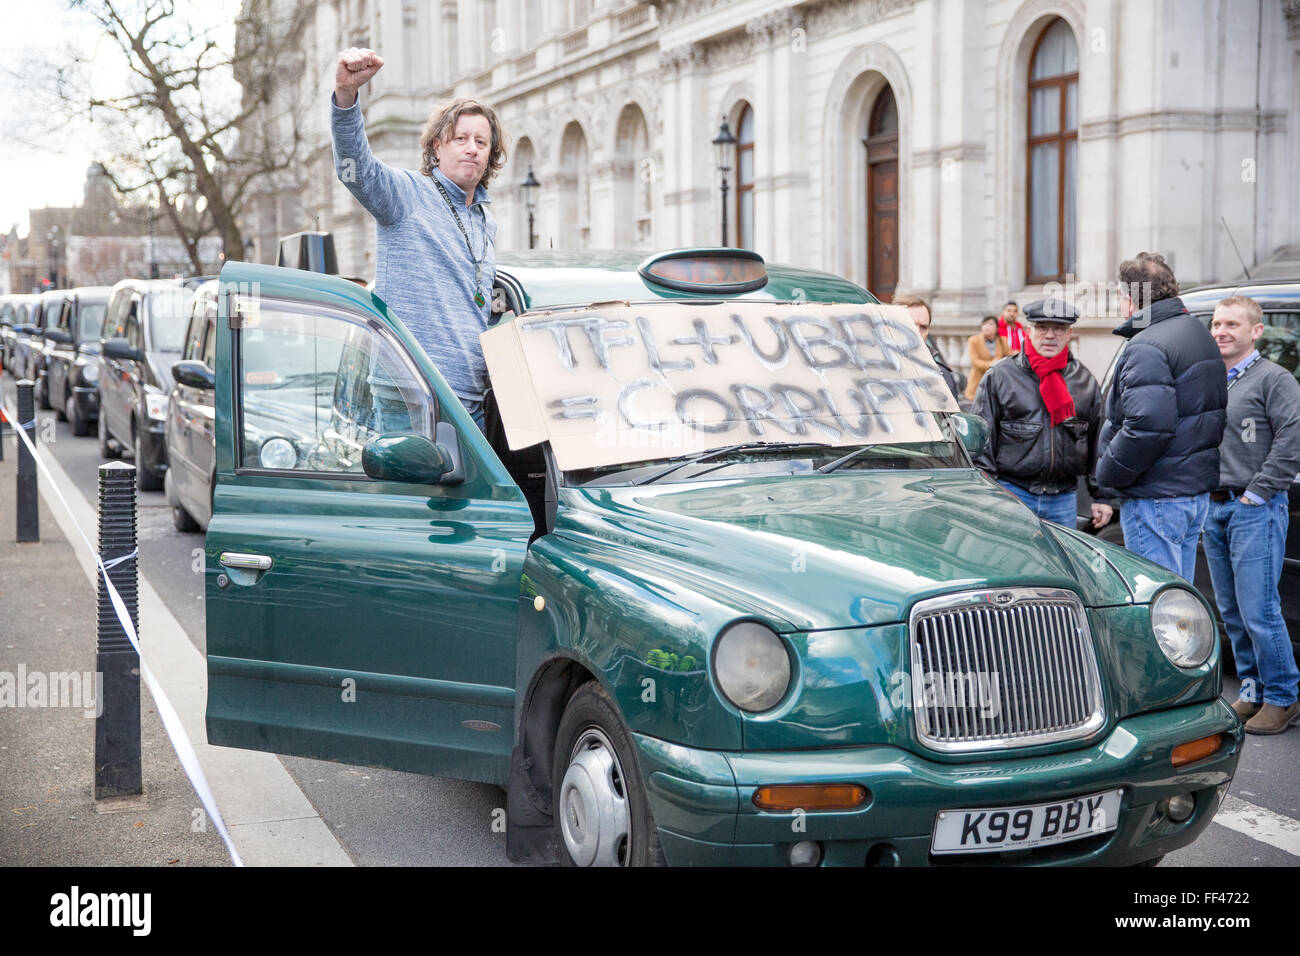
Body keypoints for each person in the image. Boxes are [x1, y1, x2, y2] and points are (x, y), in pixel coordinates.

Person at [330, 47, 506, 431]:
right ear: (437, 147)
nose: (472, 148)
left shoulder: (485, 222)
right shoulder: (408, 194)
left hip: (470, 402)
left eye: (481, 141)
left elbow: (471, 302)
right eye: (461, 138)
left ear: (491, 155)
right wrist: (346, 99)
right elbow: (353, 170)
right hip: (409, 397)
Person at [1201, 295, 1300, 734]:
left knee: (1260, 608)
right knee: (1231, 609)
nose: (1221, 330)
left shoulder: (1274, 379)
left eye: (1232, 324)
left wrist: (1256, 495)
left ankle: (1283, 697)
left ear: (1255, 331)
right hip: (1214, 507)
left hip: (1254, 508)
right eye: (1217, 323)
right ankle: (1252, 690)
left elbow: (1292, 440)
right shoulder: (1212, 381)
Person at [1096, 252, 1226, 580]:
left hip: (1157, 496)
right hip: (1188, 491)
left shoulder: (1148, 344)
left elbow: (1148, 425)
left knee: (1160, 606)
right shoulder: (1196, 332)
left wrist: (1107, 472)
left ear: (1130, 299)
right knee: (1178, 599)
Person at [971, 299, 1111, 527]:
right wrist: (987, 493)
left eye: (1058, 329)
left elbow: (1098, 442)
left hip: (1063, 498)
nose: (1049, 335)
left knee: (1059, 563)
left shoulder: (1084, 381)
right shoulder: (1000, 376)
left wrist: (1101, 496)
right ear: (1029, 331)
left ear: (1069, 334)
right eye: (1042, 327)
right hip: (1012, 494)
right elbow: (981, 440)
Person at [894, 294, 963, 404]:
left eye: (923, 327)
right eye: (910, 324)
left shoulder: (941, 376)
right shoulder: (869, 369)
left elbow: (949, 419)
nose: (917, 332)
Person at [966, 315, 1010, 401]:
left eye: (990, 324)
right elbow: (974, 361)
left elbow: (1008, 357)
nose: (987, 327)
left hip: (997, 381)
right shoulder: (974, 340)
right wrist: (991, 364)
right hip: (978, 381)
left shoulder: (1003, 340)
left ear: (997, 328)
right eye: (984, 324)